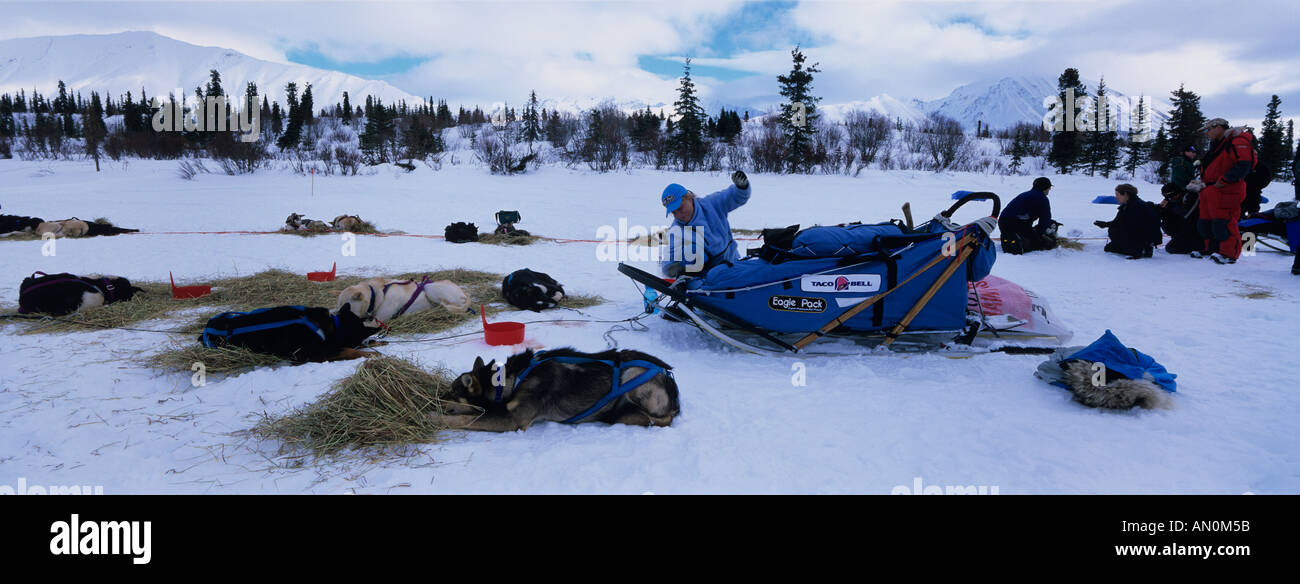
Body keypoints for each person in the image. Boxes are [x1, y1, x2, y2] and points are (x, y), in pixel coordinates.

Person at [660, 170, 751, 277]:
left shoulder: (711, 204)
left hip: (732, 263)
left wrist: (742, 187)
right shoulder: (677, 231)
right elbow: (668, 261)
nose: (679, 215)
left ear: (689, 197)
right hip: (709, 277)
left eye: (680, 208)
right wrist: (673, 268)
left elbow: (734, 196)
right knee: (694, 252)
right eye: (673, 212)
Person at [1193, 118, 1255, 264]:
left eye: (1209, 129)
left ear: (1219, 127)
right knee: (1206, 223)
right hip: (1210, 189)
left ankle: (1229, 254)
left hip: (1226, 189)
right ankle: (1212, 249)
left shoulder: (1236, 141)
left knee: (1224, 223)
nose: (1207, 133)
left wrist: (1226, 180)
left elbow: (1244, 164)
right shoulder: (1217, 146)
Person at [1094, 184, 1162, 259]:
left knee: (1115, 233)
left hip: (1141, 238)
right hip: (1134, 236)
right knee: (1110, 247)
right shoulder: (1127, 205)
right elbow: (1118, 222)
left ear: (1125, 194)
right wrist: (1105, 224)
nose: (1116, 197)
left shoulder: (1137, 206)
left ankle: (1142, 249)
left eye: (1117, 195)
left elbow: (1135, 227)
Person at [998, 177, 1058, 254]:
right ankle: (1019, 242)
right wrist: (1040, 234)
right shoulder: (1042, 198)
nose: (1049, 190)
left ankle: (1013, 237)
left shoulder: (1025, 194)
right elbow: (1045, 218)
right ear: (1045, 188)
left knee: (1027, 231)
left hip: (1003, 224)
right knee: (1041, 244)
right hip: (1016, 224)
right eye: (1049, 188)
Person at [1158, 183, 1203, 254]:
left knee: (1171, 248)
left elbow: (1186, 214)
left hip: (1195, 229)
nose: (1170, 199)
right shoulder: (1174, 200)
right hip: (1184, 228)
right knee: (1167, 218)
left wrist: (1170, 206)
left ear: (1178, 193)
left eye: (1171, 197)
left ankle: (1196, 246)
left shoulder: (1191, 196)